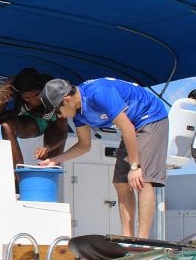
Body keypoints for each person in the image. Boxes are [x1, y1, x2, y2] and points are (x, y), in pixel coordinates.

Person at [37, 77, 168, 239]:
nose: (60, 116)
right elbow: (84, 145)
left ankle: (143, 241)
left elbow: (127, 127)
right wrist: (55, 160)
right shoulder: (78, 114)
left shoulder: (98, 93)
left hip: (151, 117)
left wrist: (135, 166)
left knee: (142, 180)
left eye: (58, 111)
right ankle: (127, 239)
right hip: (131, 127)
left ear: (67, 99)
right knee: (120, 182)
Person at [0, 67, 69, 167]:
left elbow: (63, 133)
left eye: (37, 95)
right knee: (6, 125)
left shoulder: (53, 96)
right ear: (21, 96)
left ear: (43, 90)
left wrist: (48, 147)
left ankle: (49, 175)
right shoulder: (19, 100)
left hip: (54, 129)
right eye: (27, 97)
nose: (33, 101)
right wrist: (5, 88)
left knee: (51, 166)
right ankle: (18, 172)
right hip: (31, 125)